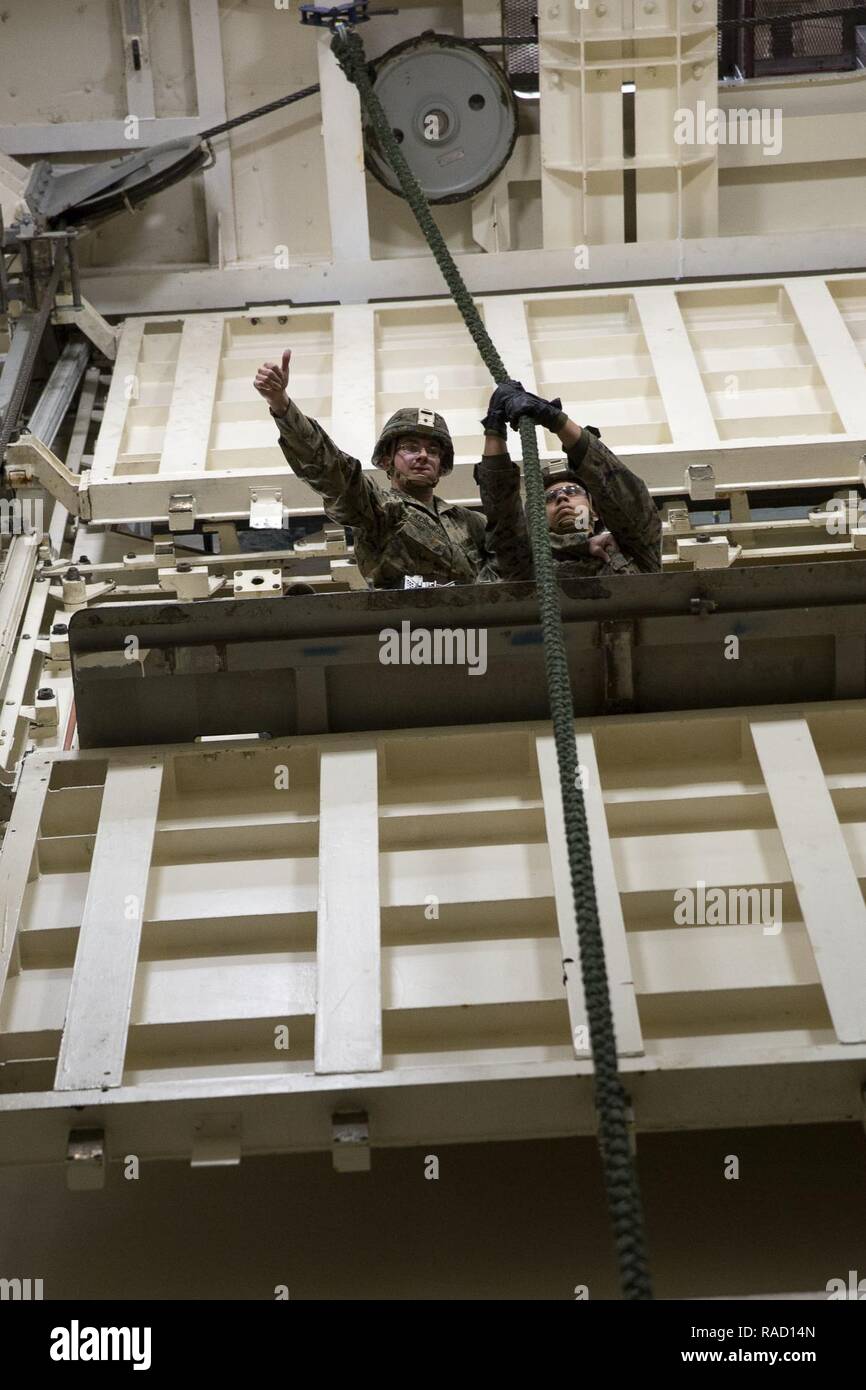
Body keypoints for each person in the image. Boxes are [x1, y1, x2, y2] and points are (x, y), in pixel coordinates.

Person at [254, 349, 498, 590]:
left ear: (441, 464)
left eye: (433, 451)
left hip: (473, 621)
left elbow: (511, 556)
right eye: (410, 448)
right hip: (403, 621)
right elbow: (330, 469)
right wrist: (280, 403)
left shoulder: (470, 522)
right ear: (386, 460)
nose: (423, 456)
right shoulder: (378, 509)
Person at [476, 381, 662, 579]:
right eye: (549, 497)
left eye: (573, 492)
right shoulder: (525, 568)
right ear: (535, 518)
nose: (562, 498)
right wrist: (494, 429)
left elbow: (628, 497)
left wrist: (554, 418)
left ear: (595, 511)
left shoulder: (633, 553)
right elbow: (503, 517)